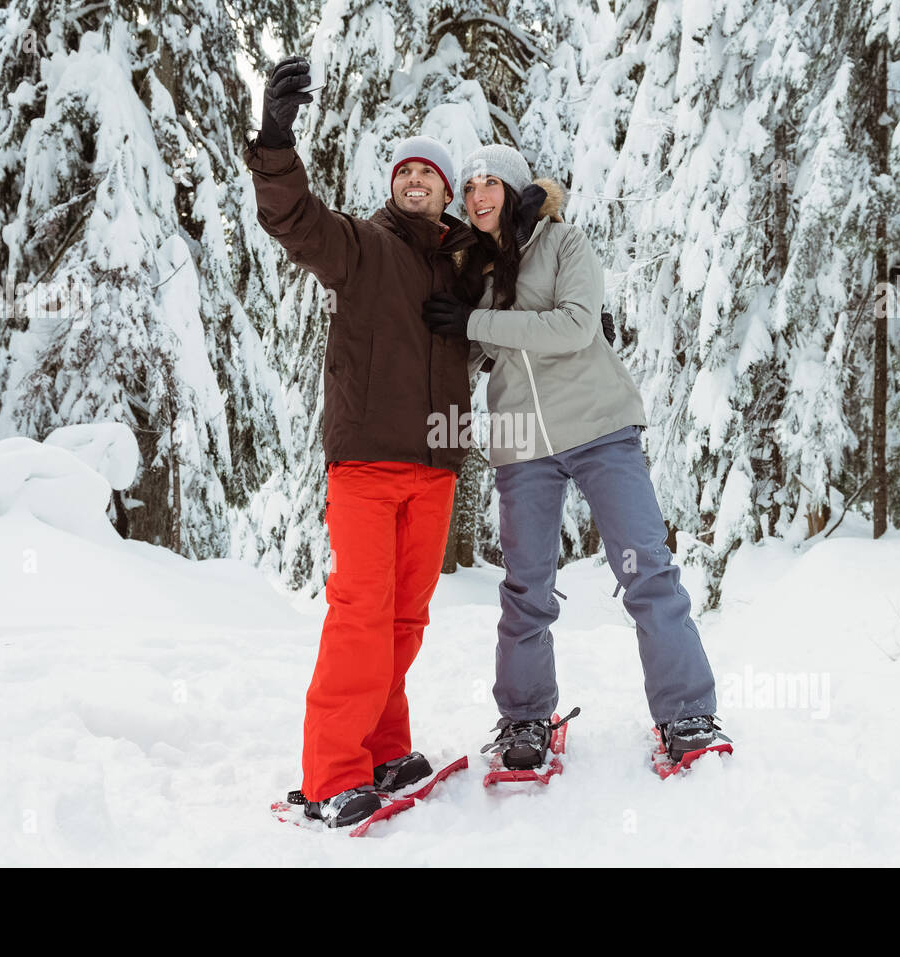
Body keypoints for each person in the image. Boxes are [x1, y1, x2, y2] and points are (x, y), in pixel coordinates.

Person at [422, 144, 731, 769]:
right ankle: (525, 721)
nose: (478, 195)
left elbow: (574, 327)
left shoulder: (564, 244)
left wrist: (477, 325)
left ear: (512, 191)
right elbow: (471, 356)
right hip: (520, 441)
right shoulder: (476, 273)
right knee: (526, 588)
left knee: (646, 570)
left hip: (599, 427)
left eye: (490, 183)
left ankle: (687, 715)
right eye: (471, 187)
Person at [245, 56, 476, 827]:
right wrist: (276, 143)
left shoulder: (459, 272)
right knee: (360, 614)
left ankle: (384, 745)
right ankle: (333, 771)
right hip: (370, 463)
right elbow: (294, 220)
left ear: (447, 192)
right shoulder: (362, 248)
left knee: (406, 619)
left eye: (429, 174)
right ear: (393, 187)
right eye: (404, 172)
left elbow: (521, 280)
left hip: (436, 465)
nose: (416, 182)